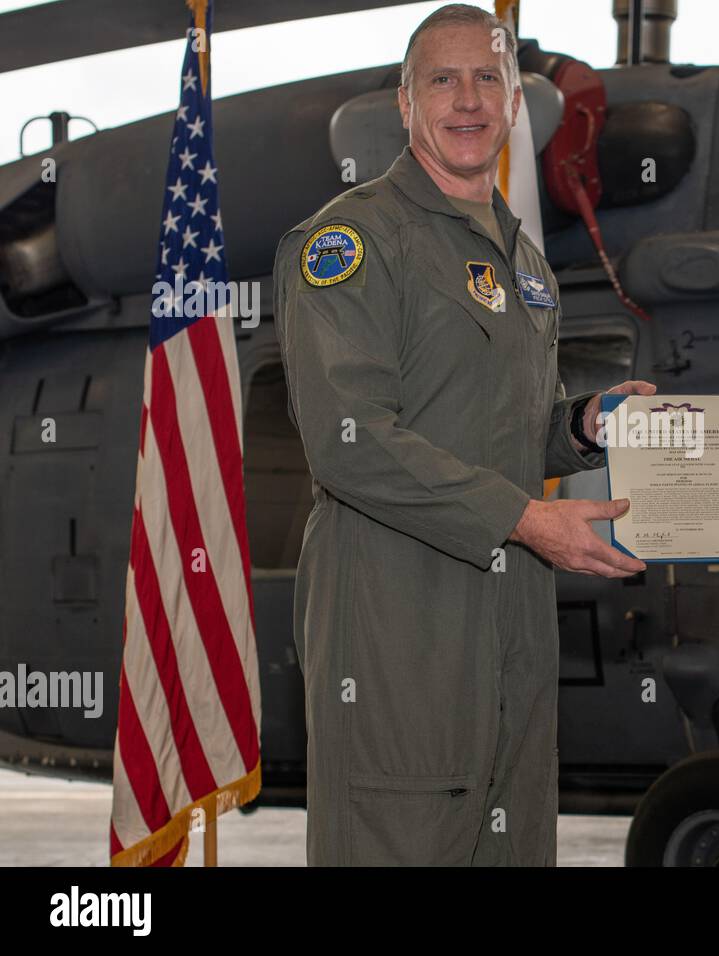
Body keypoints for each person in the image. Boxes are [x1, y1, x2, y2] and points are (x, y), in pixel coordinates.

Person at [272, 4, 652, 866]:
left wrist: (583, 428)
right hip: (399, 620)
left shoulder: (523, 259)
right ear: (405, 105)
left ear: (516, 104)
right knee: (406, 830)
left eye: (490, 78)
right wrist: (523, 518)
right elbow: (349, 438)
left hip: (512, 616)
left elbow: (497, 428)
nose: (469, 99)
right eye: (442, 79)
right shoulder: (353, 240)